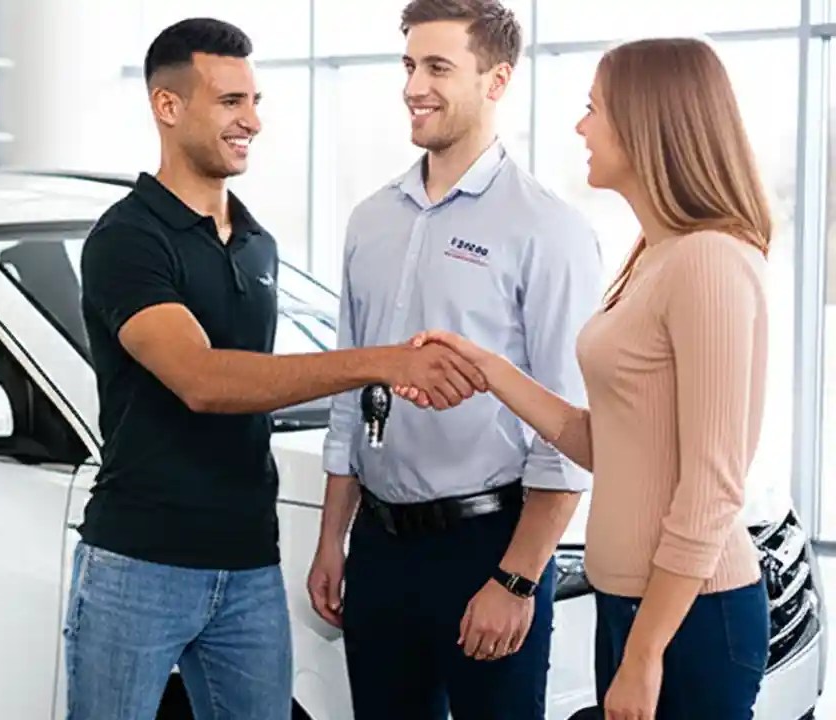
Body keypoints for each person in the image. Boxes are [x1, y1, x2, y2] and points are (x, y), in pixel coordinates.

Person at [64, 17, 487, 720]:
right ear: (167, 107)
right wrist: (381, 361)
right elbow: (203, 380)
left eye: (256, 101)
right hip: (138, 565)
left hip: (248, 566)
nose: (253, 122)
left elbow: (270, 382)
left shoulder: (256, 241)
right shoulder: (125, 240)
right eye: (231, 102)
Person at [409, 36, 773, 720]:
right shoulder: (653, 258)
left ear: (648, 123)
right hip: (639, 607)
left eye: (594, 109)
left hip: (690, 617)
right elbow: (605, 441)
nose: (581, 127)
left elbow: (712, 486)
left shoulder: (709, 263)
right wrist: (489, 369)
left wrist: (644, 655)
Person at [306, 1, 604, 718]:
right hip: (377, 547)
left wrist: (518, 580)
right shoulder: (370, 219)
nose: (415, 86)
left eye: (438, 67)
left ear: (497, 80)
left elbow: (567, 431)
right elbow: (354, 393)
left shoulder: (548, 228)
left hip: (487, 549)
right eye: (409, 65)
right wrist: (331, 540)